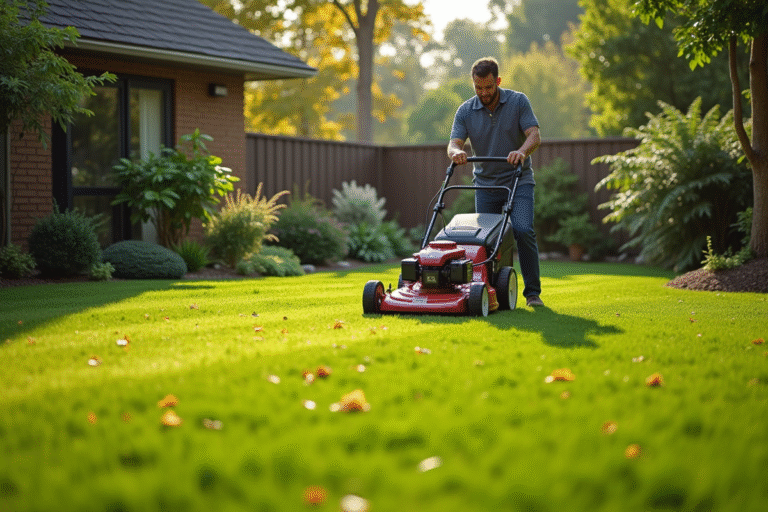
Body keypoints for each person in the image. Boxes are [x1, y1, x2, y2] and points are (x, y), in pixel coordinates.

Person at [447, 57, 544, 307]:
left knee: (522, 229)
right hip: (486, 184)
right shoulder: (466, 110)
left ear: (498, 81)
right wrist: (455, 152)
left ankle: (532, 293)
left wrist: (521, 152)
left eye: (488, 87)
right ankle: (489, 294)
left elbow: (534, 134)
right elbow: (454, 142)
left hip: (517, 180)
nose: (484, 93)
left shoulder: (518, 101)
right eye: (478, 88)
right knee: (486, 240)